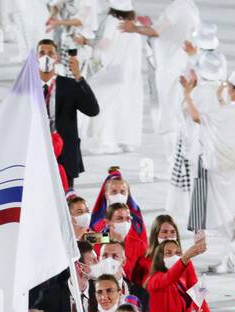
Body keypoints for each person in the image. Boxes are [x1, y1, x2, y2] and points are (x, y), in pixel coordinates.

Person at [180, 66, 235, 275]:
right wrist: (222, 93)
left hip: (222, 172)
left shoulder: (223, 112)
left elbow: (196, 118)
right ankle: (232, 259)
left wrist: (187, 94)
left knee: (226, 215)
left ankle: (229, 261)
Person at [78, 0, 154, 155]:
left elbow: (104, 44)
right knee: (125, 106)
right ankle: (125, 140)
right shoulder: (133, 21)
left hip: (112, 71)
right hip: (130, 74)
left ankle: (107, 142)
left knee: (102, 105)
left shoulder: (112, 20)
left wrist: (85, 41)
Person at [35, 38, 99, 186]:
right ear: (35, 58)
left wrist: (78, 77)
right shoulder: (27, 87)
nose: (46, 56)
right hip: (36, 151)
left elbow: (93, 110)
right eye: (42, 53)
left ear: (56, 58)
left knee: (65, 203)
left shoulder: (69, 84)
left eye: (50, 53)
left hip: (65, 155)